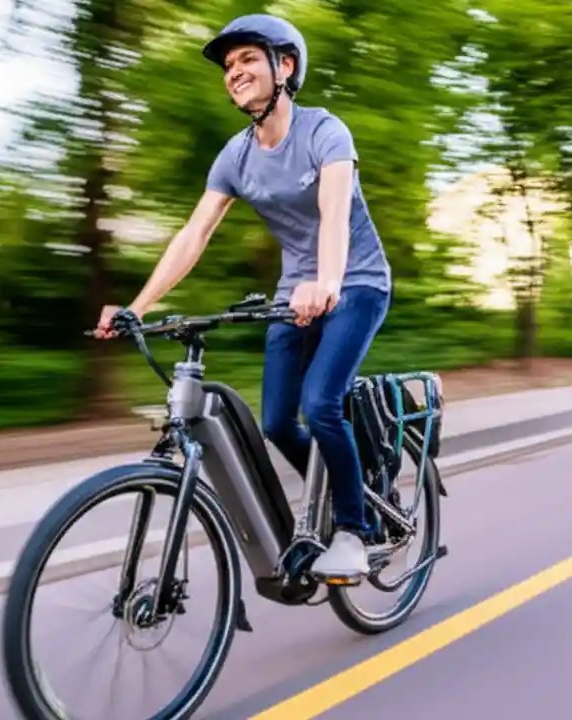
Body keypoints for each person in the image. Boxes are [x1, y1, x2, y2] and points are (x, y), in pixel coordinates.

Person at [95, 14, 392, 581]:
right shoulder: (235, 155)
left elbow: (334, 215)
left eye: (247, 59)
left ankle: (358, 528)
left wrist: (328, 281)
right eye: (228, 66)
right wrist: (140, 306)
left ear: (286, 67)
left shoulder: (325, 131)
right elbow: (195, 233)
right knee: (278, 423)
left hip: (355, 282)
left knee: (322, 402)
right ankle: (342, 486)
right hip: (293, 296)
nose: (234, 73)